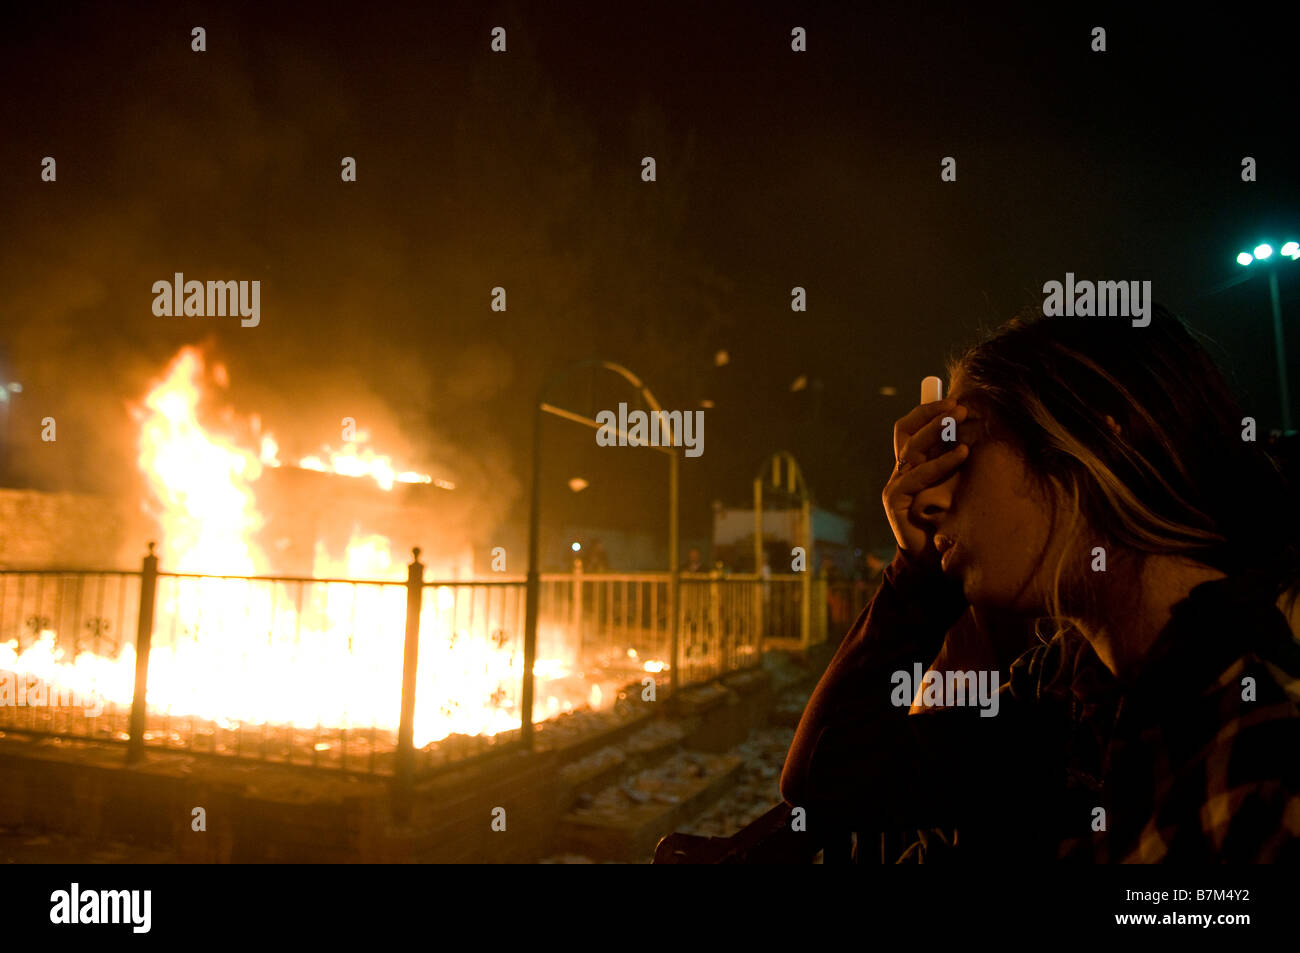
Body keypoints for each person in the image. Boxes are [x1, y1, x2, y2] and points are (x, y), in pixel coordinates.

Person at [781, 304, 1300, 862]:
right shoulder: (1072, 694)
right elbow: (831, 781)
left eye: (963, 451)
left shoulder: (1264, 751)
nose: (924, 499)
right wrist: (920, 573)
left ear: (1097, 444)